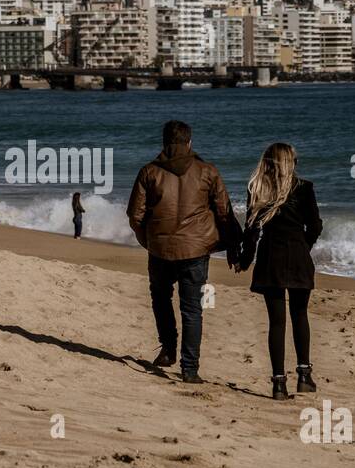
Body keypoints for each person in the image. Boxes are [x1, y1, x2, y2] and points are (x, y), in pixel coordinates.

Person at [126, 120, 238, 385]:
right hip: (196, 251)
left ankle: (167, 349)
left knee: (161, 298)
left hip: (160, 250)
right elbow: (225, 213)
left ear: (164, 143)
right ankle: (190, 369)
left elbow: (135, 216)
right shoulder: (207, 171)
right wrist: (235, 246)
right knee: (192, 310)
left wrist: (149, 241)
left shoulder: (149, 172)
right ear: (189, 142)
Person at [234, 143, 323, 401]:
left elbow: (251, 232)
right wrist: (303, 245)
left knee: (276, 322)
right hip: (298, 257)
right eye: (294, 160)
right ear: (289, 163)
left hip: (270, 257)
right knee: (299, 315)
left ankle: (279, 384)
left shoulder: (258, 188)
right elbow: (315, 226)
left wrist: (244, 260)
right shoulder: (304, 188)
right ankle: (304, 376)